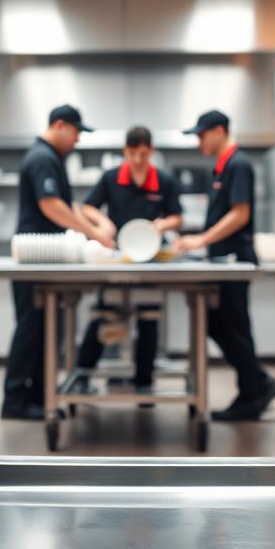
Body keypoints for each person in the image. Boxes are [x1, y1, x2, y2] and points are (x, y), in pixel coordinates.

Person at [2, 104, 114, 421]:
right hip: (35, 257)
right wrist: (91, 231)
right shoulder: (42, 158)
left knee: (42, 331)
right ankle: (15, 401)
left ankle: (38, 396)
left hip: (47, 259)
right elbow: (51, 206)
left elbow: (68, 206)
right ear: (61, 125)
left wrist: (97, 228)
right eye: (76, 132)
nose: (77, 140)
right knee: (30, 330)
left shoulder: (53, 160)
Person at [172, 109, 275, 421]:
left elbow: (240, 214)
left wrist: (201, 240)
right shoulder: (223, 168)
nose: (199, 142)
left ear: (219, 131)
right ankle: (254, 387)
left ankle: (256, 386)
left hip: (235, 262)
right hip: (224, 261)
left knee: (229, 325)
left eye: (201, 135)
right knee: (227, 325)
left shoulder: (238, 164)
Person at [76, 126, 183, 396]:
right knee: (103, 317)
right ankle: (82, 375)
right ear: (125, 151)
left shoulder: (164, 180)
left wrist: (161, 225)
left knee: (148, 320)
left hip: (149, 261)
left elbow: (177, 217)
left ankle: (144, 382)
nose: (137, 160)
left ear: (151, 152)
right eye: (132, 153)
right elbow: (87, 207)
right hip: (117, 262)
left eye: (143, 154)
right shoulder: (111, 178)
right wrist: (102, 222)